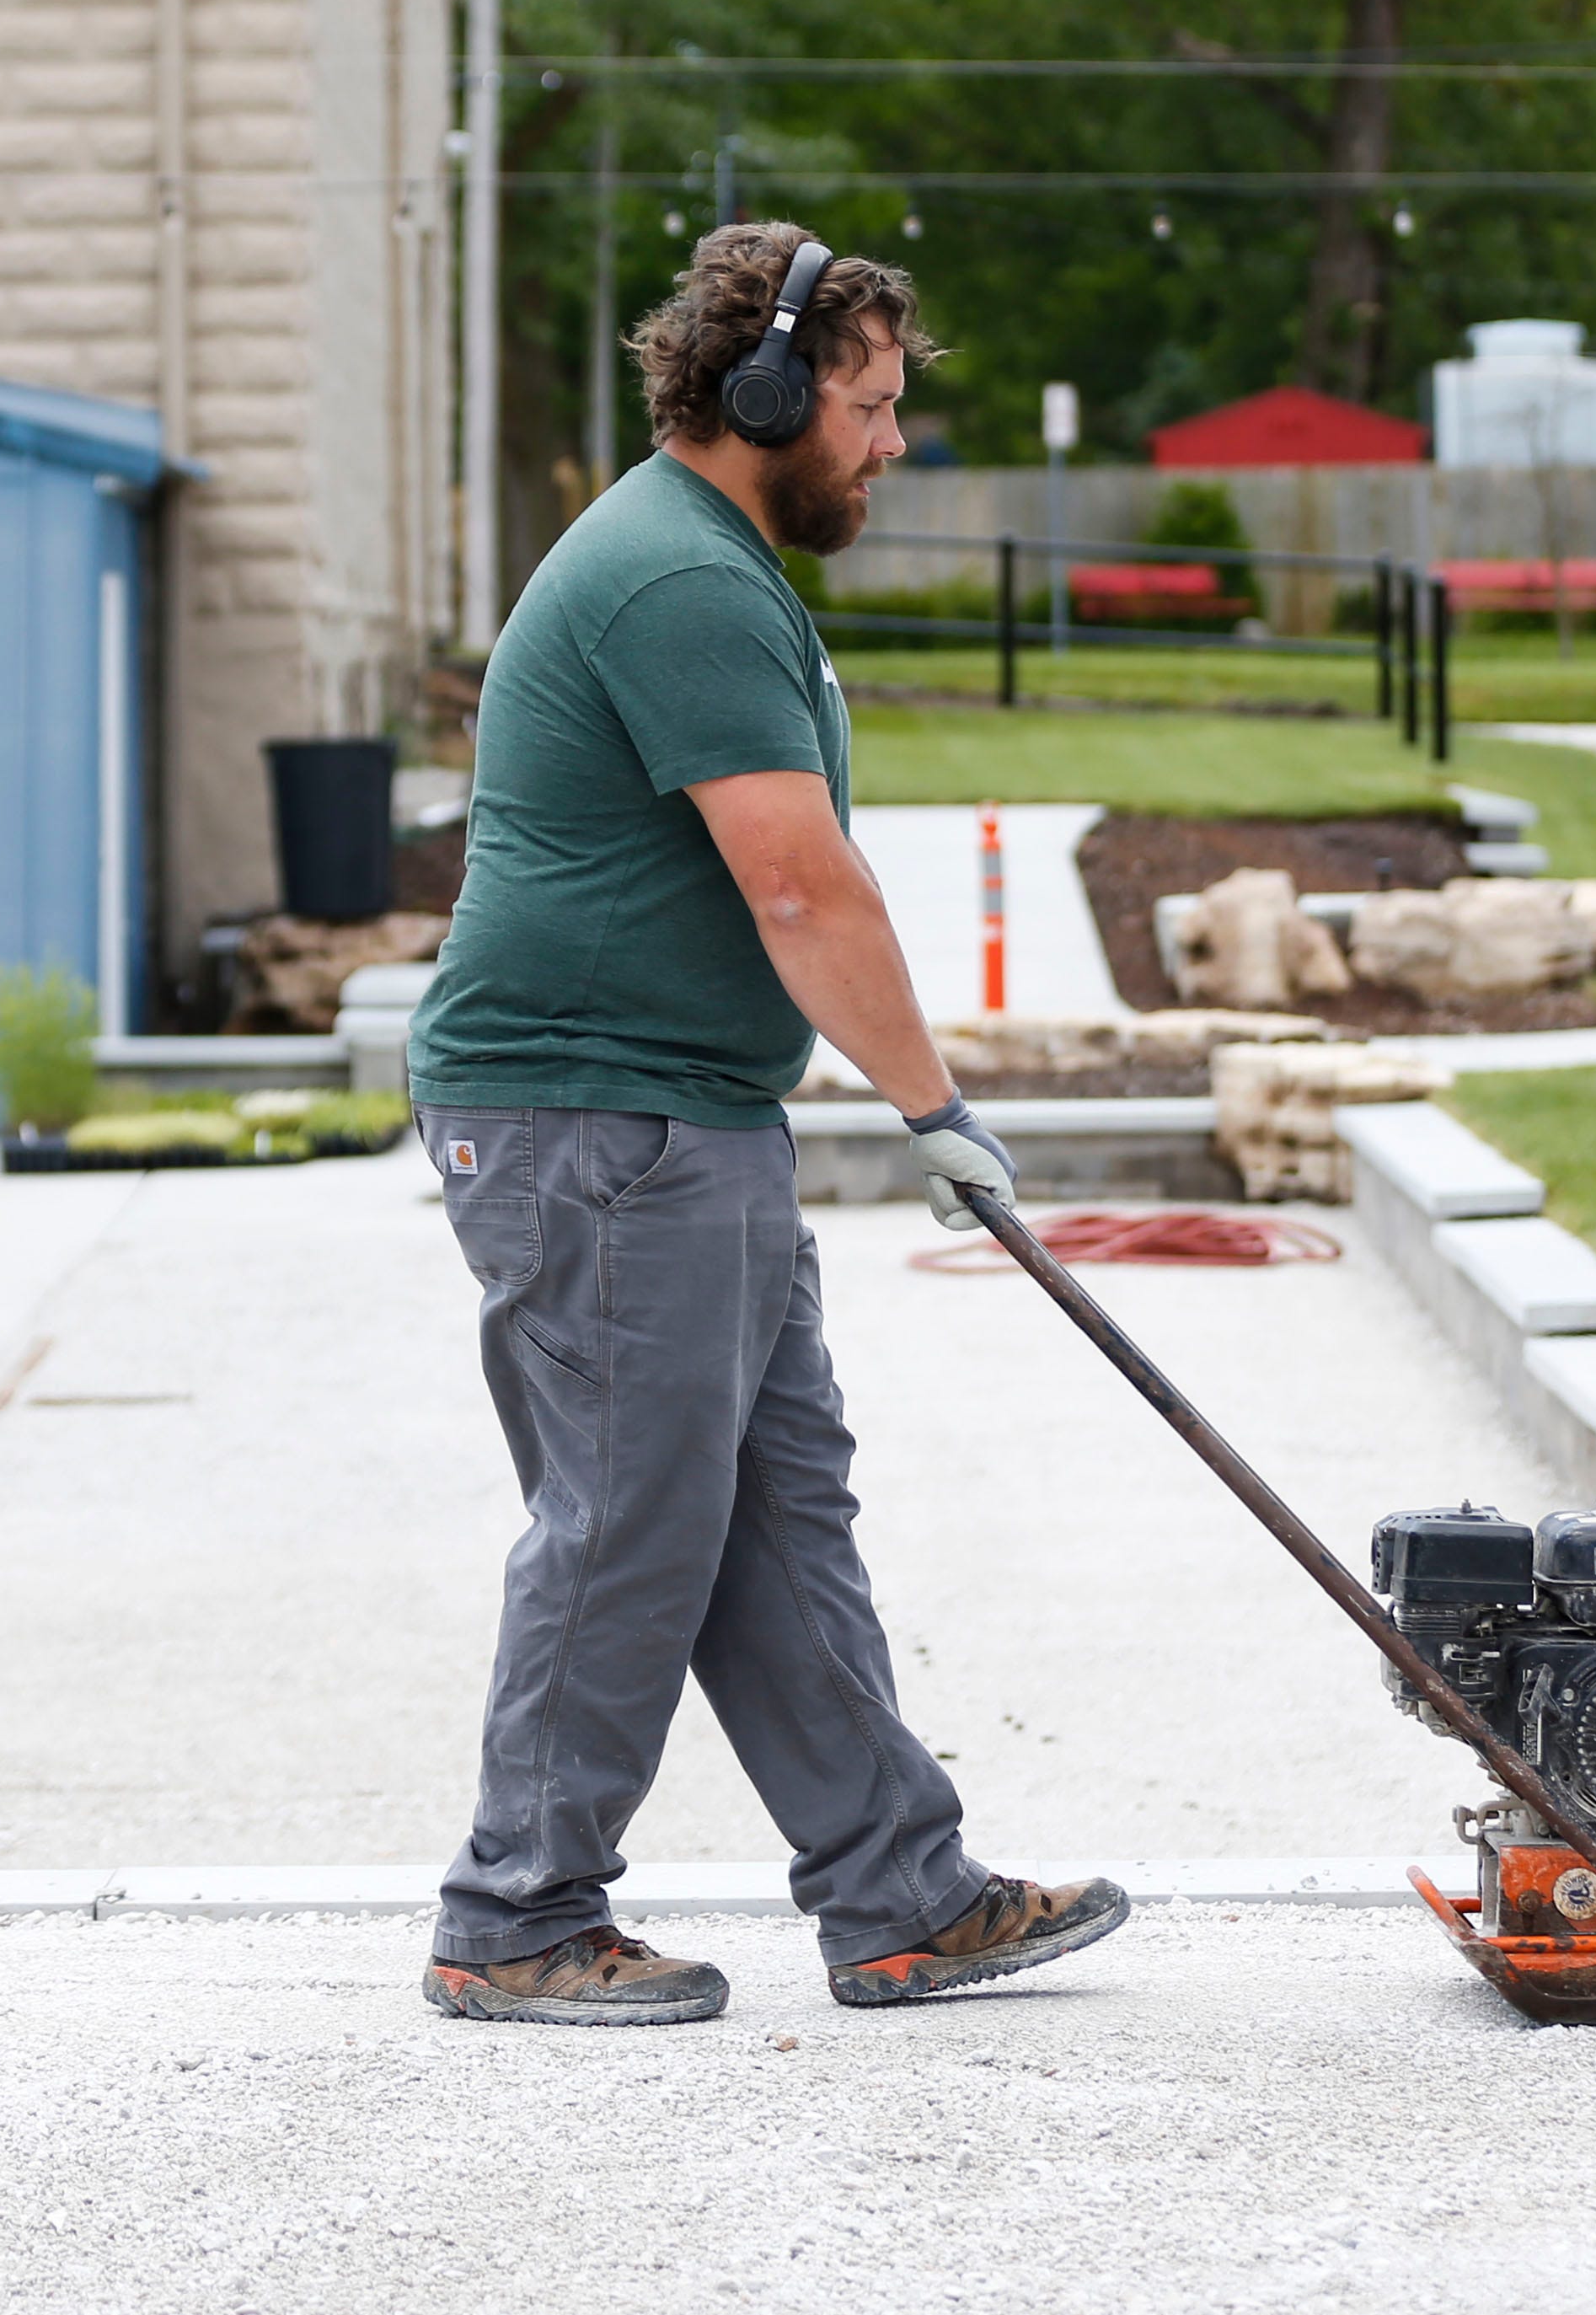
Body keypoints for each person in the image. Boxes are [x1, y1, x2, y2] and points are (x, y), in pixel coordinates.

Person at [401, 222, 1128, 2028]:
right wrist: (932, 1107)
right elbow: (801, 889)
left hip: (676, 1114)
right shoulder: (682, 581)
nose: (889, 444)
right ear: (768, 393)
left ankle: (898, 1886)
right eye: (871, 406)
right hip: (593, 1117)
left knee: (774, 1514)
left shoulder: (710, 563)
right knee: (631, 1520)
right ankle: (514, 1914)